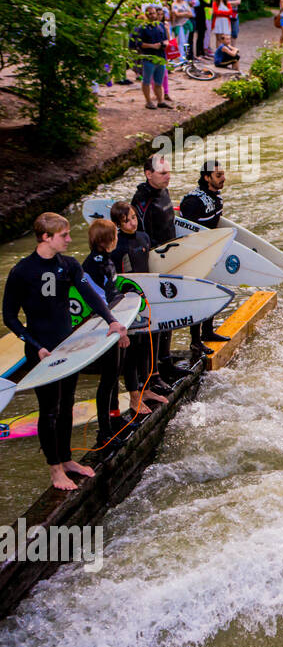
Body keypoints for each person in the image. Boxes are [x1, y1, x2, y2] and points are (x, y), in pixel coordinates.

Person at [2, 213, 129, 491]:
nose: (70, 239)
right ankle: (55, 470)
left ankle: (67, 459)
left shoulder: (69, 265)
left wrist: (112, 321)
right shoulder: (22, 271)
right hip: (40, 350)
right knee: (49, 410)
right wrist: (36, 346)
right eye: (64, 235)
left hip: (67, 346)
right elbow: (9, 317)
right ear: (46, 237)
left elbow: (91, 295)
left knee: (67, 404)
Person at [131, 154, 190, 380]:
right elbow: (139, 237)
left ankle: (165, 361)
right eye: (163, 173)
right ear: (148, 174)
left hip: (170, 259)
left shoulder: (163, 191)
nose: (168, 177)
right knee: (157, 315)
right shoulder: (141, 201)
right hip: (153, 264)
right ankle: (152, 372)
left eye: (169, 172)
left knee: (170, 311)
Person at [109, 201, 171, 412]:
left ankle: (146, 388)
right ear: (117, 224)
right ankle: (134, 396)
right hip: (128, 304)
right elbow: (115, 280)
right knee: (132, 351)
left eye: (134, 217)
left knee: (145, 345)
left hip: (145, 300)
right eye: (126, 221)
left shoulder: (143, 237)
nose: (132, 223)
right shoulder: (117, 248)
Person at [81, 220, 136, 450]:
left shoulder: (105, 260)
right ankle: (104, 431)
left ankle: (114, 416)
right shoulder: (94, 264)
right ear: (106, 241)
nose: (117, 239)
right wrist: (117, 327)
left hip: (114, 318)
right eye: (115, 236)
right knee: (109, 378)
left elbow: (110, 289)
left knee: (114, 375)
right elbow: (99, 298)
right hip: (105, 323)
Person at [178, 160, 232, 352]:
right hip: (195, 256)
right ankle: (195, 341)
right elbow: (186, 232)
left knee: (210, 292)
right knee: (198, 296)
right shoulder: (193, 201)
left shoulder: (216, 196)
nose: (223, 178)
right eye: (218, 175)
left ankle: (207, 331)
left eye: (223, 174)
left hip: (211, 252)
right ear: (206, 177)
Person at [129, 4, 171, 110]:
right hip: (148, 57)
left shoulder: (160, 25)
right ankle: (148, 101)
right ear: (146, 14)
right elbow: (139, 43)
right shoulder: (142, 27)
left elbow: (166, 39)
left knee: (159, 81)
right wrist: (153, 46)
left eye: (154, 13)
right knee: (147, 80)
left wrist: (165, 44)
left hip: (161, 57)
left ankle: (160, 101)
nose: (152, 15)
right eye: (150, 13)